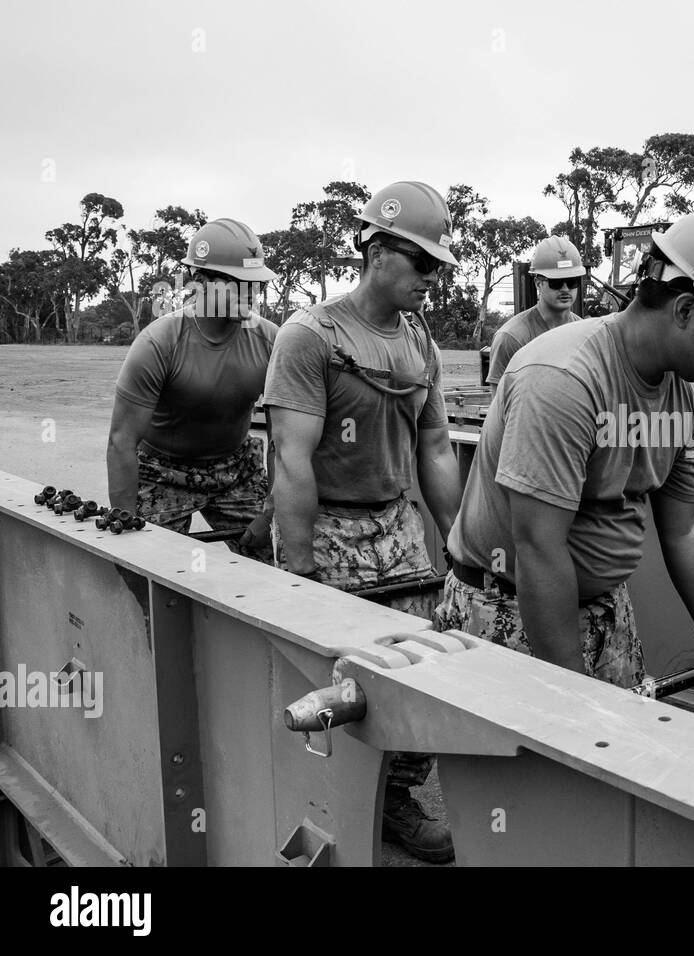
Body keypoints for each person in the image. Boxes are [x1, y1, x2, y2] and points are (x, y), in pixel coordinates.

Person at [435, 206, 694, 691]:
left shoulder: (684, 399)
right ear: (684, 309)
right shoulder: (564, 380)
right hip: (507, 610)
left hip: (604, 609)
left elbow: (682, 525)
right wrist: (573, 694)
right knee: (533, 763)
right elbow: (538, 546)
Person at [262, 180, 464, 863]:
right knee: (336, 673)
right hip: (326, 526)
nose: (431, 280)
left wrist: (460, 546)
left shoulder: (418, 342)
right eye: (422, 264)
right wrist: (299, 569)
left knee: (421, 661)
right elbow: (291, 458)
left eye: (439, 266)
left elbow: (434, 447)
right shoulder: (310, 336)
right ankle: (326, 800)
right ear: (377, 251)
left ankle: (397, 800)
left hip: (394, 522)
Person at [107, 218, 278, 560]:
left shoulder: (270, 340)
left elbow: (282, 438)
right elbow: (122, 441)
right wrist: (126, 528)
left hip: (237, 469)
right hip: (161, 472)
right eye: (238, 284)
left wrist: (271, 513)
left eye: (255, 284)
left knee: (272, 566)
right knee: (152, 574)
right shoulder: (159, 343)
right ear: (199, 283)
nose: (251, 296)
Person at [485, 236, 585, 391]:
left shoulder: (584, 334)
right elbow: (498, 405)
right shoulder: (512, 338)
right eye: (556, 282)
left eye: (572, 281)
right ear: (538, 283)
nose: (565, 289)